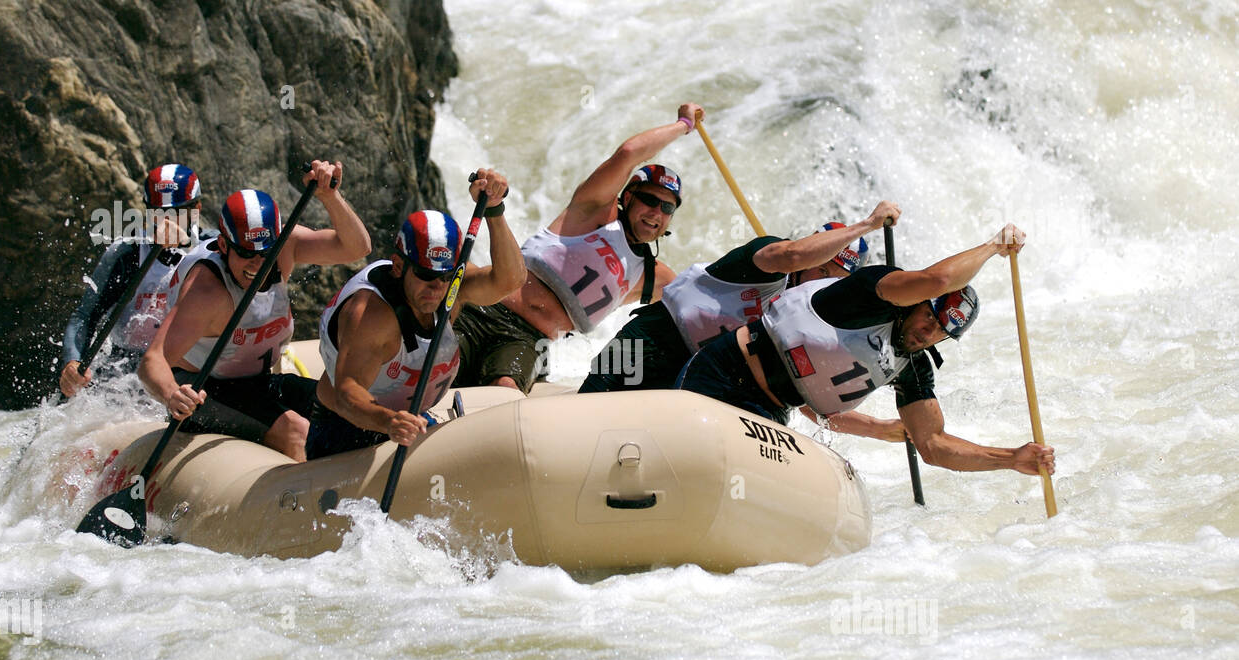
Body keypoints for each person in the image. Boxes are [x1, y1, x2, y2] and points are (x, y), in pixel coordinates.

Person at [677, 224, 1056, 477]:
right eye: (930, 315)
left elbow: (933, 445)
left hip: (771, 410)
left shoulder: (913, 368)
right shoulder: (870, 295)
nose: (930, 331)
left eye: (942, 331)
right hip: (725, 373)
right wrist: (993, 246)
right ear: (916, 303)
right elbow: (938, 279)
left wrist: (1011, 458)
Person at [452, 103, 705, 393]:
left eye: (667, 207)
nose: (656, 213)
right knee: (440, 365)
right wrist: (684, 124)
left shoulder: (651, 276)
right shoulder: (594, 210)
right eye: (649, 200)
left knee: (505, 386)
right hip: (484, 308)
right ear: (629, 197)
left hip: (529, 342)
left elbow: (701, 308)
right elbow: (628, 153)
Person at [139, 160, 371, 462]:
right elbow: (152, 360)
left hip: (260, 384)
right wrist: (172, 394)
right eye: (246, 254)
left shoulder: (285, 246)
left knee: (348, 408)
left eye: (265, 253)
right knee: (298, 432)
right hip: (208, 392)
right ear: (223, 245)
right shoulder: (207, 292)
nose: (257, 264)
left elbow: (357, 248)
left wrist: (330, 197)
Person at [305, 170, 525, 460]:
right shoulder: (371, 316)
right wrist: (389, 422)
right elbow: (347, 394)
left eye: (445, 275)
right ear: (398, 267)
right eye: (424, 275)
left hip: (412, 421)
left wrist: (494, 210)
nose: (436, 287)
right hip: (348, 430)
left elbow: (510, 280)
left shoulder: (451, 286)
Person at [578, 203, 900, 393]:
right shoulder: (768, 257)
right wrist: (868, 225)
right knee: (590, 406)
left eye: (835, 279)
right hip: (650, 337)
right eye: (823, 270)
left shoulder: (802, 311)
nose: (826, 282)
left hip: (693, 370)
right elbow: (792, 255)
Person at [59, 163, 215, 397]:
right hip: (126, 371)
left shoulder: (212, 249)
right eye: (158, 212)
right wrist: (72, 362)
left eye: (176, 212)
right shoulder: (126, 254)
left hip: (187, 365)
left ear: (196, 210)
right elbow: (84, 316)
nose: (166, 221)